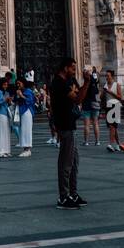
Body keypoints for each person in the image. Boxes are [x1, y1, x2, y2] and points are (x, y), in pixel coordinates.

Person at [50, 57, 89, 208]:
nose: (74, 71)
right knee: (66, 162)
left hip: (69, 125)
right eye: (72, 68)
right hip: (65, 125)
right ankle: (63, 197)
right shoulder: (59, 83)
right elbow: (78, 99)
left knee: (74, 162)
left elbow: (78, 95)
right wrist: (87, 82)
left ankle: (72, 194)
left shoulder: (66, 82)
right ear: (65, 68)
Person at [15, 75, 35, 156]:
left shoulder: (28, 91)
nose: (18, 85)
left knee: (27, 130)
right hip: (22, 111)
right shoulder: (20, 91)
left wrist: (21, 96)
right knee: (22, 130)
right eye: (17, 84)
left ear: (23, 83)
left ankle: (28, 149)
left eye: (19, 83)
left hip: (27, 112)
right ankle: (24, 148)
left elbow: (30, 101)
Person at [81, 66, 101, 147]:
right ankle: (97, 141)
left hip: (86, 104)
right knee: (96, 123)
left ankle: (86, 141)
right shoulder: (94, 82)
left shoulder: (86, 82)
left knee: (86, 124)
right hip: (95, 104)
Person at [103, 70, 122, 151]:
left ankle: (110, 144)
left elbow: (120, 97)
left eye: (108, 75)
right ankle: (118, 144)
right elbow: (102, 97)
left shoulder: (116, 84)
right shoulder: (105, 85)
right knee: (113, 127)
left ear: (112, 76)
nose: (106, 77)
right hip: (108, 106)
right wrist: (103, 93)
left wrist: (111, 92)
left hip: (116, 105)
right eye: (106, 76)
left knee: (112, 126)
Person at [0, 77, 12, 157]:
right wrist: (5, 99)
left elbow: (6, 104)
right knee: (2, 133)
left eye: (6, 85)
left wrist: (9, 101)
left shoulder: (5, 92)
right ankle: (1, 151)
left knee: (6, 132)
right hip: (1, 113)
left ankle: (6, 150)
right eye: (4, 85)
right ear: (1, 84)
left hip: (5, 113)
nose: (6, 86)